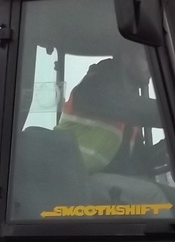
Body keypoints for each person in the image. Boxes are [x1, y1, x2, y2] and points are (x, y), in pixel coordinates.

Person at [55, 41, 157, 174]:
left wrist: (167, 150)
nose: (152, 66)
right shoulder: (93, 87)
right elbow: (136, 108)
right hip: (70, 175)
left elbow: (138, 160)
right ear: (127, 58)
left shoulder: (126, 114)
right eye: (146, 58)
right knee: (157, 195)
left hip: (93, 177)